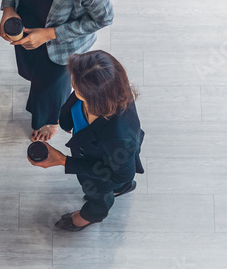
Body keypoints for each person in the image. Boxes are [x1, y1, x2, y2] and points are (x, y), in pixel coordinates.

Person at [0, 0, 114, 141]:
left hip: (63, 45)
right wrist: (8, 8)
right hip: (27, 24)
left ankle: (50, 121)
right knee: (32, 73)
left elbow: (104, 18)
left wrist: (51, 34)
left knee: (50, 88)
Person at [29, 50, 145, 231]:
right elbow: (74, 99)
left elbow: (123, 173)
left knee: (97, 194)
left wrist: (63, 160)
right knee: (119, 178)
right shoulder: (107, 88)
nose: (72, 84)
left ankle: (89, 216)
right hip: (108, 154)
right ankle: (122, 188)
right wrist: (66, 122)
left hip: (102, 169)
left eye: (75, 85)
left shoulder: (119, 137)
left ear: (93, 96)